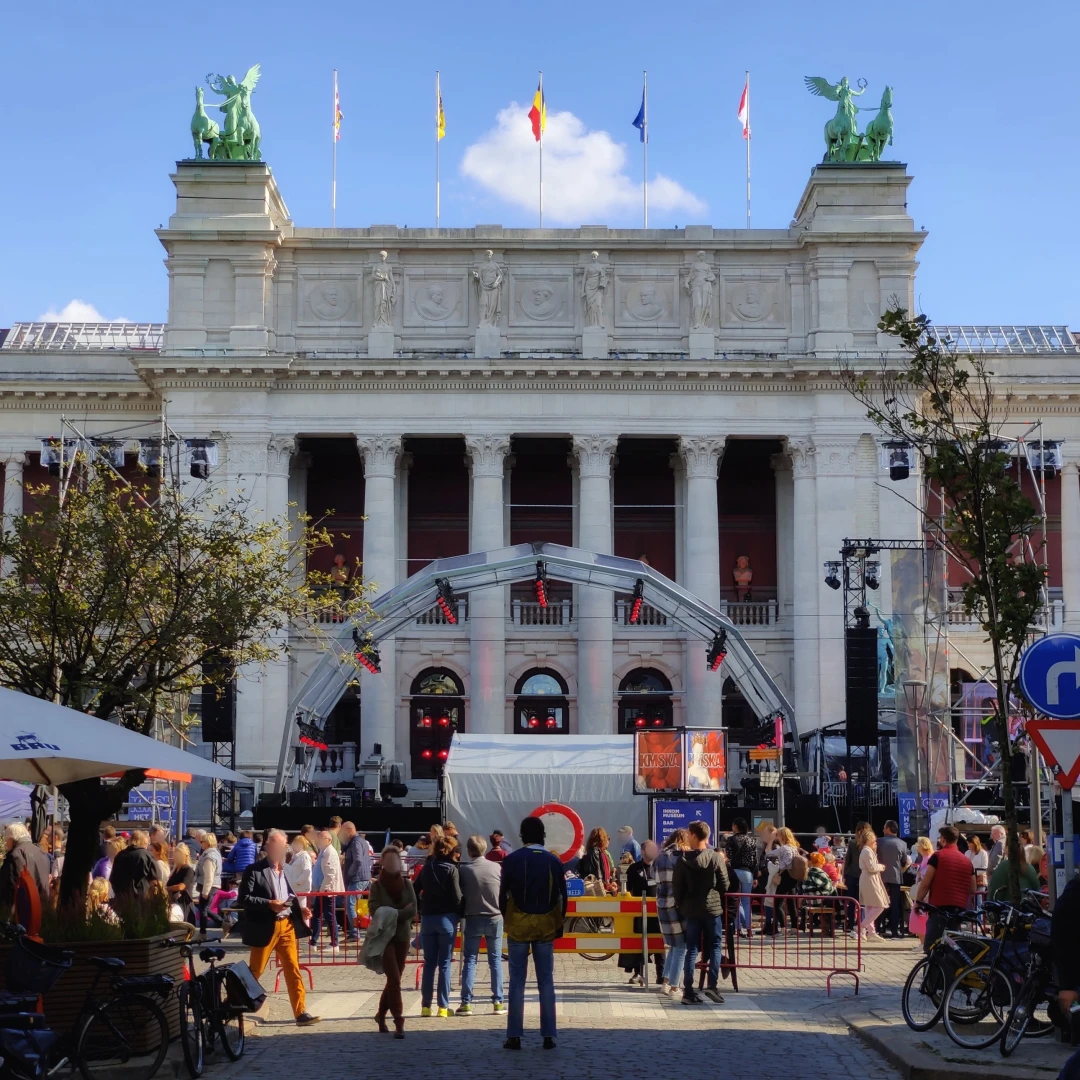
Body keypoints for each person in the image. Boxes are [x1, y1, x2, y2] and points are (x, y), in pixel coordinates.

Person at [499, 815, 567, 1051]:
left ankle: (514, 1035)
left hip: (518, 923)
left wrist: (507, 917)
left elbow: (502, 895)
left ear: (522, 835)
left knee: (517, 980)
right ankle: (549, 1035)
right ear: (543, 835)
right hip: (546, 924)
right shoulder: (553, 861)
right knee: (545, 980)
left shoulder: (512, 860)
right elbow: (562, 897)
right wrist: (558, 924)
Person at [240, 829, 319, 1027]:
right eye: (272, 846)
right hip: (264, 926)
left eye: (280, 847)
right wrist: (268, 903)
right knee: (255, 971)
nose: (276, 850)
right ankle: (234, 1005)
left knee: (293, 969)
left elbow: (288, 896)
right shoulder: (255, 870)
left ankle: (300, 1012)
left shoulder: (285, 870)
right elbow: (244, 899)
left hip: (286, 926)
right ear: (267, 847)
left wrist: (300, 910)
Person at [673, 820, 729, 1005]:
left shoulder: (683, 860)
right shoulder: (715, 857)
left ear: (695, 835)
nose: (687, 836)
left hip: (691, 908)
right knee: (714, 946)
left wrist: (681, 905)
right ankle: (712, 986)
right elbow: (724, 884)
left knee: (692, 949)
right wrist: (715, 894)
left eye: (689, 833)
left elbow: (677, 887)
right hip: (712, 908)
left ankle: (688, 991)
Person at [368, 846, 416, 1039]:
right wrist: (399, 912)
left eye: (395, 861)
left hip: (402, 936)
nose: (392, 864)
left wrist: (392, 912)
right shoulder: (377, 886)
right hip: (384, 938)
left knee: (393, 980)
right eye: (388, 861)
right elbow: (375, 911)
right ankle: (399, 1020)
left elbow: (413, 909)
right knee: (394, 979)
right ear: (382, 864)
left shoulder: (407, 884)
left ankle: (380, 1015)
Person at [416, 835, 463, 1017]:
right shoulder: (452, 870)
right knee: (444, 964)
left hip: (427, 919)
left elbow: (414, 887)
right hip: (447, 919)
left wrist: (421, 906)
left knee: (429, 963)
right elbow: (457, 897)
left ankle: (425, 1006)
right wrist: (460, 914)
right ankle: (443, 1007)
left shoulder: (427, 868)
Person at [457, 835, 504, 1015]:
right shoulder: (497, 867)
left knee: (470, 960)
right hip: (495, 917)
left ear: (469, 852)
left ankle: (466, 1003)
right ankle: (498, 1002)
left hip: (473, 917)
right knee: (495, 960)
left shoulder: (465, 871)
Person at [913, 826, 976, 952]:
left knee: (932, 947)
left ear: (943, 840)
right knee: (952, 946)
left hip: (939, 908)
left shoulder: (938, 857)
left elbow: (926, 883)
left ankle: (936, 971)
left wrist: (918, 902)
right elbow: (973, 888)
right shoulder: (967, 861)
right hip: (959, 908)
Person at [619, 840, 663, 986]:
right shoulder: (634, 868)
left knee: (658, 943)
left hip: (657, 911)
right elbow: (628, 889)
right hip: (638, 911)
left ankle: (661, 974)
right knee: (638, 943)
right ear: (643, 852)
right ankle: (638, 973)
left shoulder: (659, 867)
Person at [655, 829, 689, 996]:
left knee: (674, 945)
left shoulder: (660, 856)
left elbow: (654, 880)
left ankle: (666, 981)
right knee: (681, 946)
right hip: (677, 904)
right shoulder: (681, 855)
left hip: (662, 905)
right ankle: (675, 986)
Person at [0, 823, 50, 910]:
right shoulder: (41, 852)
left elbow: (11, 886)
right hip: (42, 907)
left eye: (6, 840)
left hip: (23, 912)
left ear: (11, 839)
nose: (5, 844)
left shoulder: (15, 855)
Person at [724, 818, 759, 935]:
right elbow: (755, 860)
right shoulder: (751, 841)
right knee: (746, 901)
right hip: (748, 873)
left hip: (734, 872)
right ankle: (749, 929)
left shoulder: (731, 839)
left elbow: (728, 856)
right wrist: (755, 876)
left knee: (736, 901)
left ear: (735, 826)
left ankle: (738, 928)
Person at [876, 820, 911, 938]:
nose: (883, 830)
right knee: (895, 904)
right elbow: (904, 862)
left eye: (884, 828)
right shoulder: (903, 843)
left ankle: (878, 929)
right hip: (896, 876)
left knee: (880, 903)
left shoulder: (879, 842)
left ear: (888, 828)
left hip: (881, 876)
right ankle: (895, 931)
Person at [341, 822, 373, 943]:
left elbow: (358, 860)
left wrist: (350, 873)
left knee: (350, 904)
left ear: (349, 830)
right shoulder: (360, 841)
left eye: (344, 831)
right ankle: (360, 929)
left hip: (357, 877)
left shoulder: (355, 842)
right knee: (358, 904)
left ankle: (355, 932)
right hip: (362, 876)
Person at [311, 829, 343, 950]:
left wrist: (324, 889)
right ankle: (313, 942)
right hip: (322, 889)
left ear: (329, 840)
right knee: (317, 915)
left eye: (321, 838)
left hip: (328, 890)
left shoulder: (330, 853)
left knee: (329, 915)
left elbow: (331, 874)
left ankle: (335, 943)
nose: (319, 840)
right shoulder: (323, 852)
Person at [109, 829, 158, 903]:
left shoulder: (120, 855)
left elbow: (113, 879)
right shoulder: (146, 855)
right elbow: (155, 879)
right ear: (143, 842)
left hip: (122, 899)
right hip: (142, 899)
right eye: (146, 844)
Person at [858, 830, 889, 941]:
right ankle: (862, 926)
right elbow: (872, 867)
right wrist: (882, 867)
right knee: (880, 905)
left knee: (870, 906)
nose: (876, 841)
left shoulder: (867, 850)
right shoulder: (867, 851)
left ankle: (871, 932)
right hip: (870, 879)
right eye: (874, 839)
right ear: (870, 839)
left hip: (869, 878)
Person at [195, 832, 222, 934]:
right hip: (212, 885)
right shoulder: (214, 853)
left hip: (209, 886)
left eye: (202, 842)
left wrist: (205, 891)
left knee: (203, 910)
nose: (200, 844)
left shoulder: (209, 857)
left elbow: (209, 876)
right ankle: (222, 923)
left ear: (207, 843)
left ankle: (203, 933)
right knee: (204, 908)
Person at [577, 827, 617, 895]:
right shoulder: (596, 851)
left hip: (600, 885)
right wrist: (604, 884)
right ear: (602, 838)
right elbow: (597, 870)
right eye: (606, 838)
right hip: (597, 888)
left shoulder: (598, 851)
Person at [166, 844, 197, 924]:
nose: (176, 857)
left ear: (185, 856)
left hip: (184, 904)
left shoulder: (188, 870)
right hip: (174, 903)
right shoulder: (175, 869)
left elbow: (181, 886)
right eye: (175, 854)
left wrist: (167, 888)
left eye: (179, 855)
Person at [284, 834, 313, 907]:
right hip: (295, 888)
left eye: (298, 843)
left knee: (302, 909)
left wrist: (297, 882)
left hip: (301, 889)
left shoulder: (304, 856)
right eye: (295, 842)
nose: (295, 845)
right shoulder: (295, 857)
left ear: (303, 845)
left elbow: (307, 872)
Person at [966, 835, 989, 902]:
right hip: (969, 880)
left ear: (974, 843)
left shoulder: (983, 853)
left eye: (969, 843)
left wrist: (973, 873)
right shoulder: (967, 852)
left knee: (979, 899)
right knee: (969, 899)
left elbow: (984, 867)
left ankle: (980, 911)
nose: (968, 845)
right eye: (967, 843)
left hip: (980, 880)